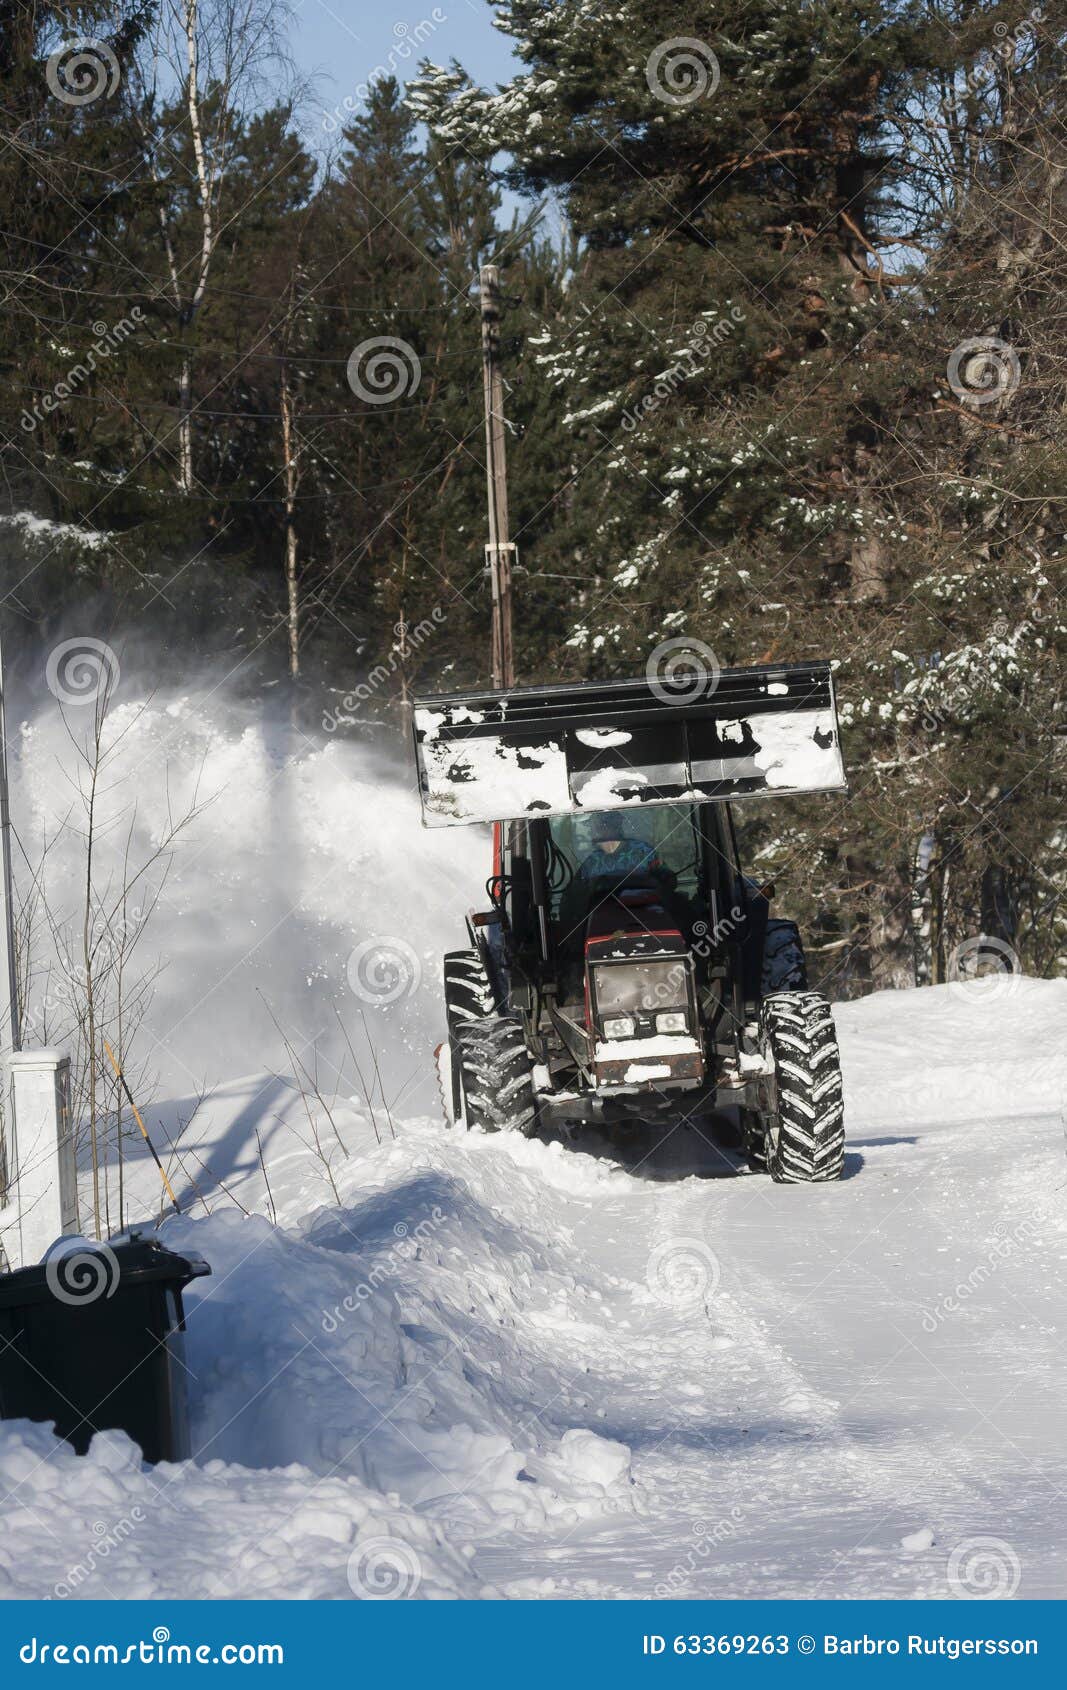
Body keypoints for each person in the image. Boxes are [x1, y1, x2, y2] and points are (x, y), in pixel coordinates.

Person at [578, 813, 660, 882]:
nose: (590, 832)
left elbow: (666, 881)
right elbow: (578, 891)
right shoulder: (592, 860)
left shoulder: (643, 851)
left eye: (594, 827)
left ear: (608, 827)